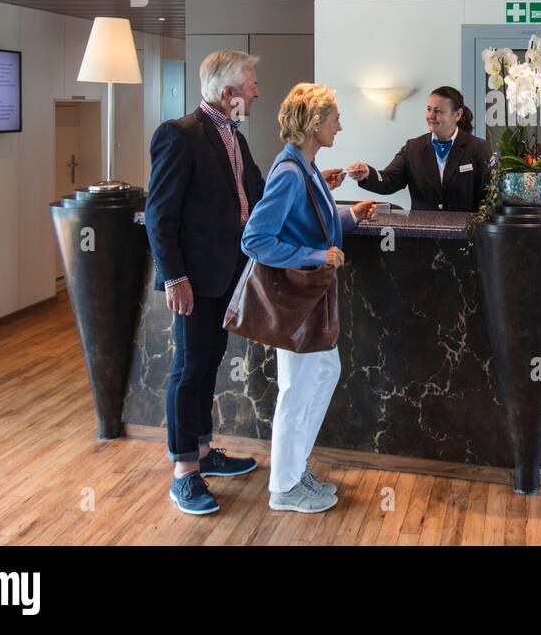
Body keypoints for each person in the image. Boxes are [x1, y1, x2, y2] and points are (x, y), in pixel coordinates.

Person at [242, 83, 376, 513]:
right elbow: (256, 239)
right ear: (315, 123)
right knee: (298, 388)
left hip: (310, 301)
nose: (341, 124)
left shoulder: (308, 166)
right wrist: (317, 254)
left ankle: (295, 468)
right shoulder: (288, 171)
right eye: (335, 117)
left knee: (317, 376)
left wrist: (348, 217)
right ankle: (284, 485)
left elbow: (311, 220)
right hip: (296, 300)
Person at [145, 49, 265, 516]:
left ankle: (202, 448)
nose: (257, 90)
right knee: (188, 370)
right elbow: (160, 216)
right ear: (228, 92)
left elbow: (254, 192)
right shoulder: (180, 135)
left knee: (210, 363)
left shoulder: (234, 134)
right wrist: (175, 277)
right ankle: (184, 473)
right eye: (251, 83)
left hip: (230, 274)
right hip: (194, 280)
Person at [346, 85, 492, 211]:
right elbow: (389, 181)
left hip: (465, 237)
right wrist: (366, 174)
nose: (431, 116)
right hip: (422, 236)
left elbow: (487, 198)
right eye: (429, 109)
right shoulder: (413, 148)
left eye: (438, 111)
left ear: (457, 114)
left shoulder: (478, 148)